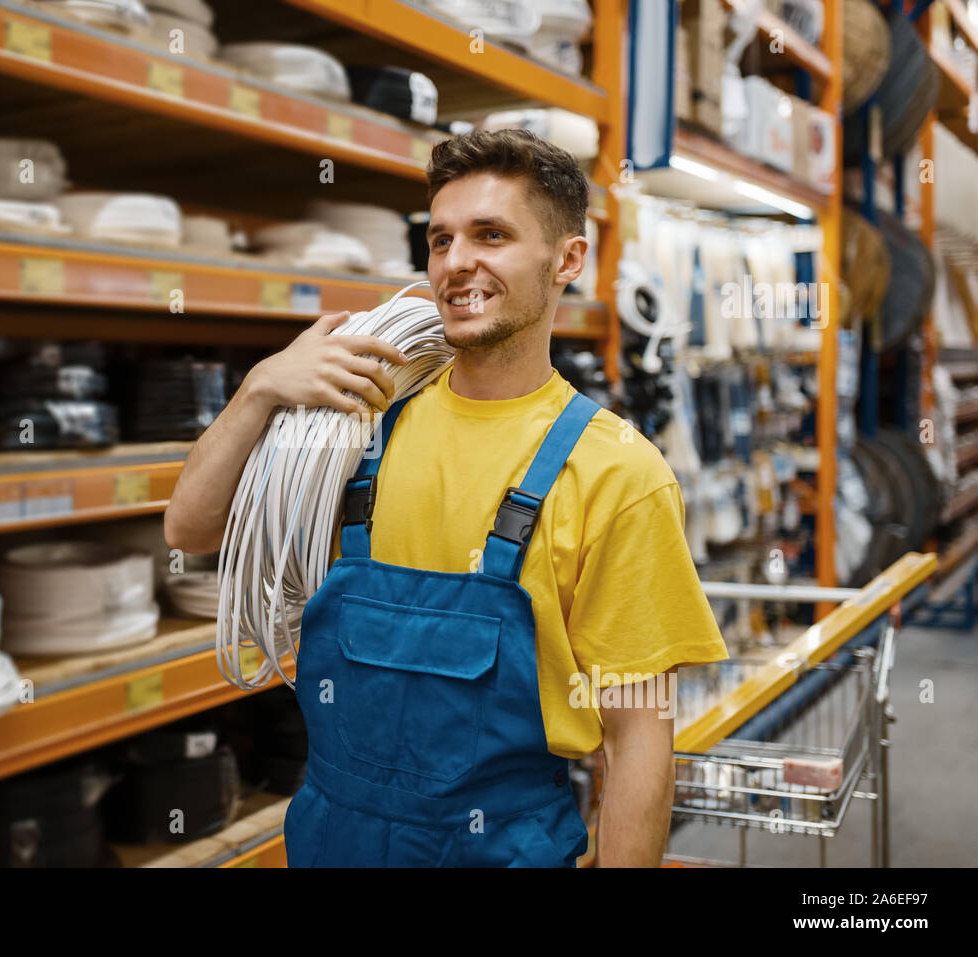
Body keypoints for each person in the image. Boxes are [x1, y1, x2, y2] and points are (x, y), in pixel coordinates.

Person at [164, 128, 728, 867]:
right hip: (334, 841)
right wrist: (262, 387)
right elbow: (193, 527)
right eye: (440, 239)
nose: (457, 261)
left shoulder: (616, 472)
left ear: (568, 259)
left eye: (491, 235)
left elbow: (639, 737)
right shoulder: (351, 429)